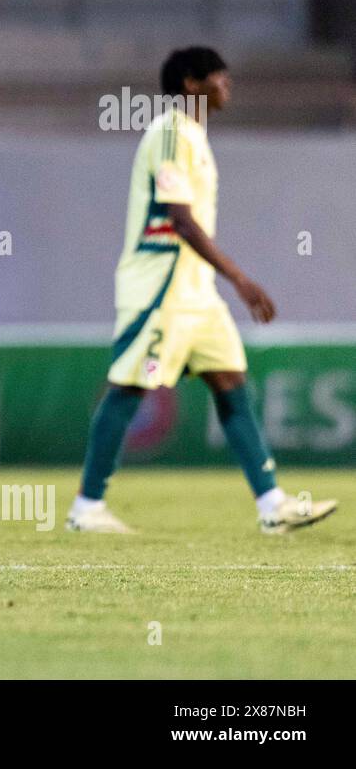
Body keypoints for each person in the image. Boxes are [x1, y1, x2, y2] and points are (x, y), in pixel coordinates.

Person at [66, 47, 337, 534]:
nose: (227, 87)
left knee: (231, 382)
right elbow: (180, 219)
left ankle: (272, 504)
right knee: (131, 385)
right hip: (160, 288)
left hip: (196, 292)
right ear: (192, 84)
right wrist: (239, 277)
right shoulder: (171, 132)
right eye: (220, 79)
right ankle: (87, 507)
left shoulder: (192, 137)